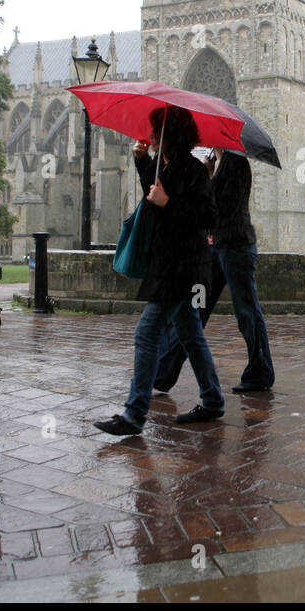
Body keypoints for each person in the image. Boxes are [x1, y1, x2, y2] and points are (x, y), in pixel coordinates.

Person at [93, 105, 225, 437]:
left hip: (183, 268)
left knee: (146, 333)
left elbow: (208, 216)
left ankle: (134, 414)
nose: (150, 135)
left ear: (170, 135)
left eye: (155, 130)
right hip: (169, 264)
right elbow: (153, 194)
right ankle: (212, 400)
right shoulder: (164, 165)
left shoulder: (193, 169)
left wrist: (170, 203)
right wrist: (140, 161)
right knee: (191, 337)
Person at [154, 148, 276, 394]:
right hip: (216, 248)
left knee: (247, 311)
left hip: (236, 248)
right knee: (193, 308)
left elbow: (221, 206)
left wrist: (204, 181)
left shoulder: (236, 163)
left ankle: (260, 373)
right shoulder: (216, 160)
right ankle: (163, 372)